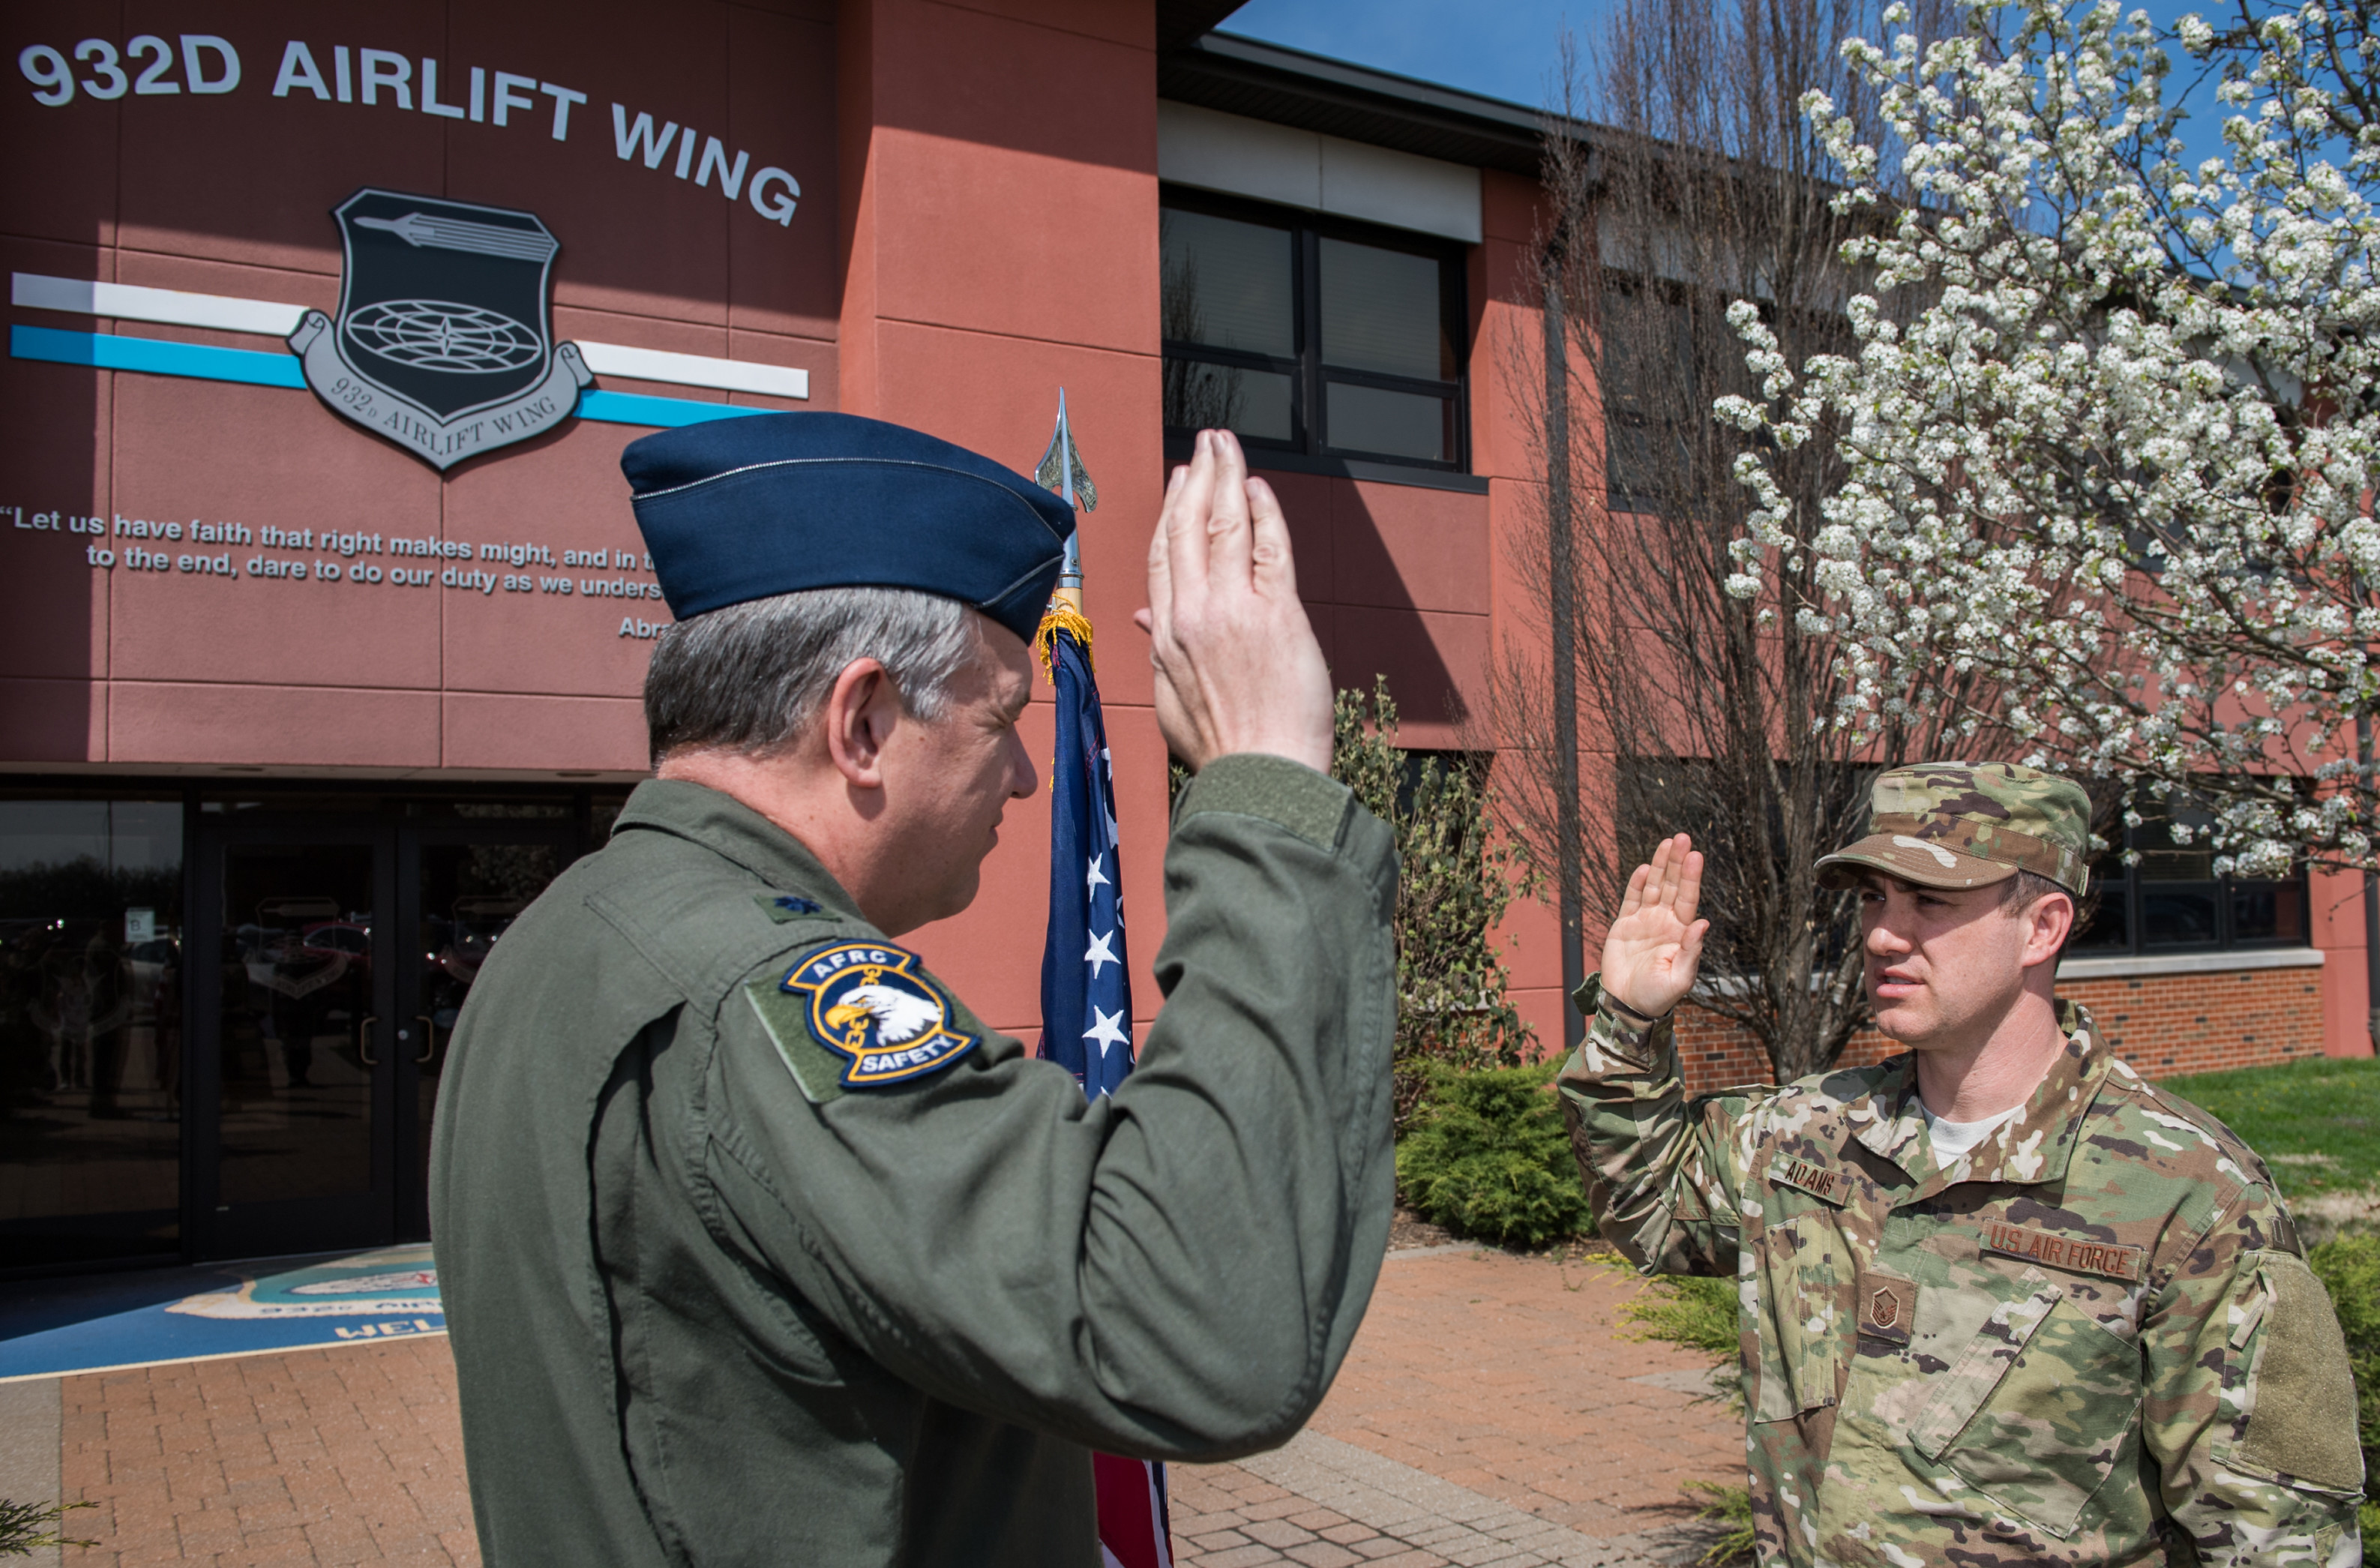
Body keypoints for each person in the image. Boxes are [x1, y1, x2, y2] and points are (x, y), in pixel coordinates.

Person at [429, 418, 1398, 1566]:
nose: (1029, 771)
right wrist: (1269, 786)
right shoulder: (769, 992)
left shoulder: (573, 929)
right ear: (863, 722)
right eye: (1001, 719)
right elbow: (1199, 1320)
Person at [1560, 763, 2365, 1567]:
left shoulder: (2194, 1196)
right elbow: (1651, 1208)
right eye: (1875, 897)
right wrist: (1628, 1019)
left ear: (2043, 926)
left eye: (1930, 901)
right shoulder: (1808, 1132)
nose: (1879, 933)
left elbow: (2275, 1541)